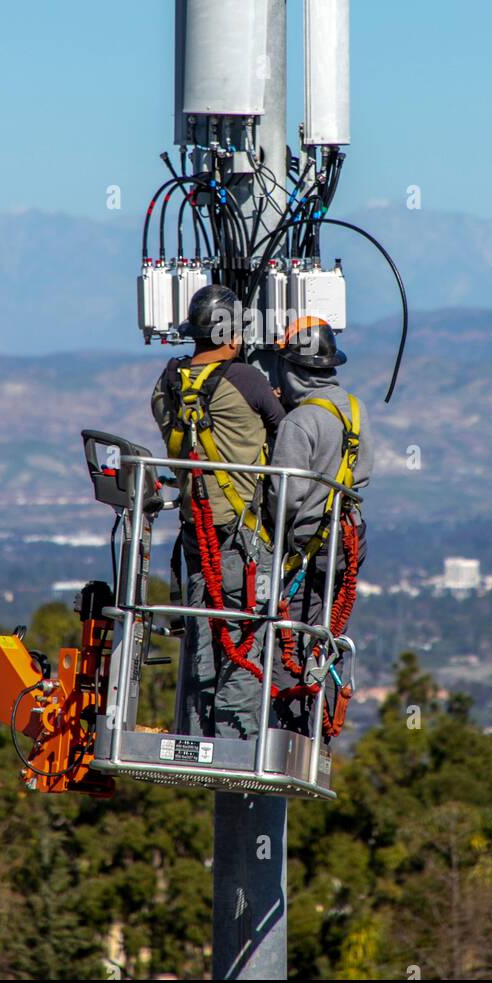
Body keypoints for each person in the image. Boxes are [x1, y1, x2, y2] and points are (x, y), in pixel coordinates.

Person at [151, 284, 285, 741]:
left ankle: (194, 737)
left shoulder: (166, 384)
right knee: (245, 638)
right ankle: (235, 743)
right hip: (242, 537)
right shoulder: (246, 379)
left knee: (201, 633)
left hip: (195, 529)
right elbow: (282, 427)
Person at [267, 316, 374, 736]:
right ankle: (317, 726)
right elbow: (361, 473)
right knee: (325, 637)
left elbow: (285, 496)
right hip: (349, 537)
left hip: (309, 546)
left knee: (287, 640)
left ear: (292, 370)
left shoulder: (300, 423)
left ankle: (283, 731)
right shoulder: (354, 408)